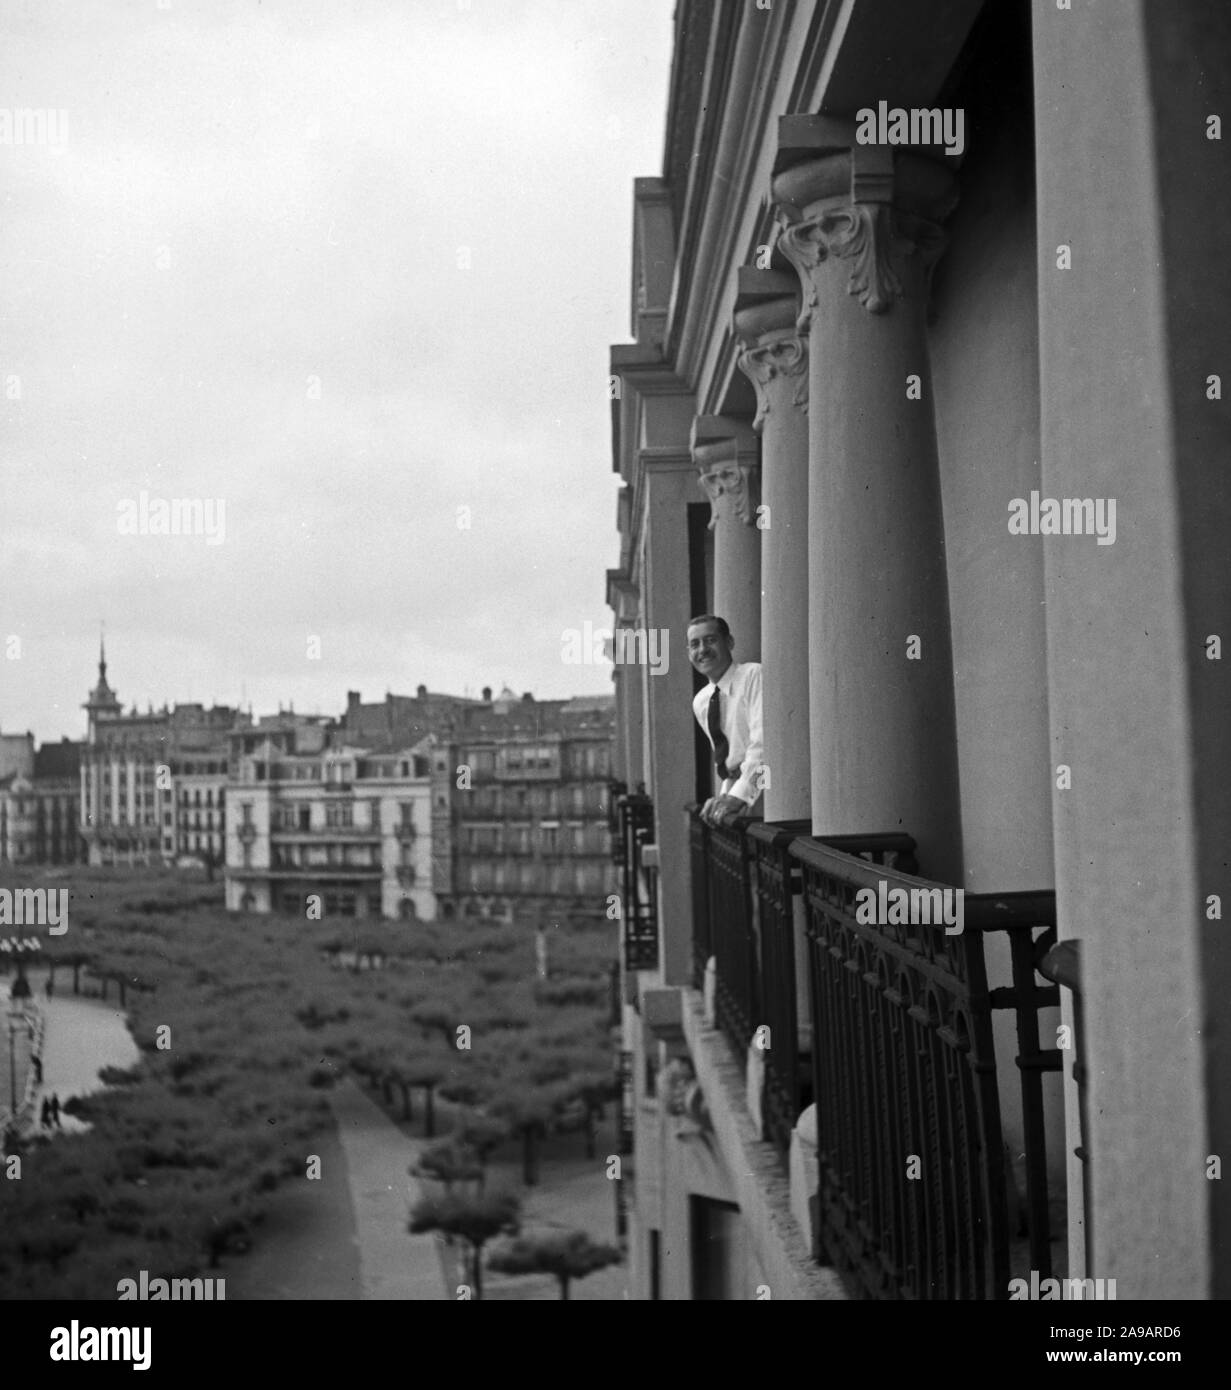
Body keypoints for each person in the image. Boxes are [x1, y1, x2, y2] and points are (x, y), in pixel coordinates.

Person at [687, 613, 764, 827]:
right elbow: (727, 762)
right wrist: (724, 798)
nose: (702, 649)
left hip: (768, 792)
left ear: (729, 642)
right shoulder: (701, 701)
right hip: (741, 803)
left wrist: (738, 797)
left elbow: (764, 749)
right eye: (695, 644)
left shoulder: (753, 676)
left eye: (710, 640)